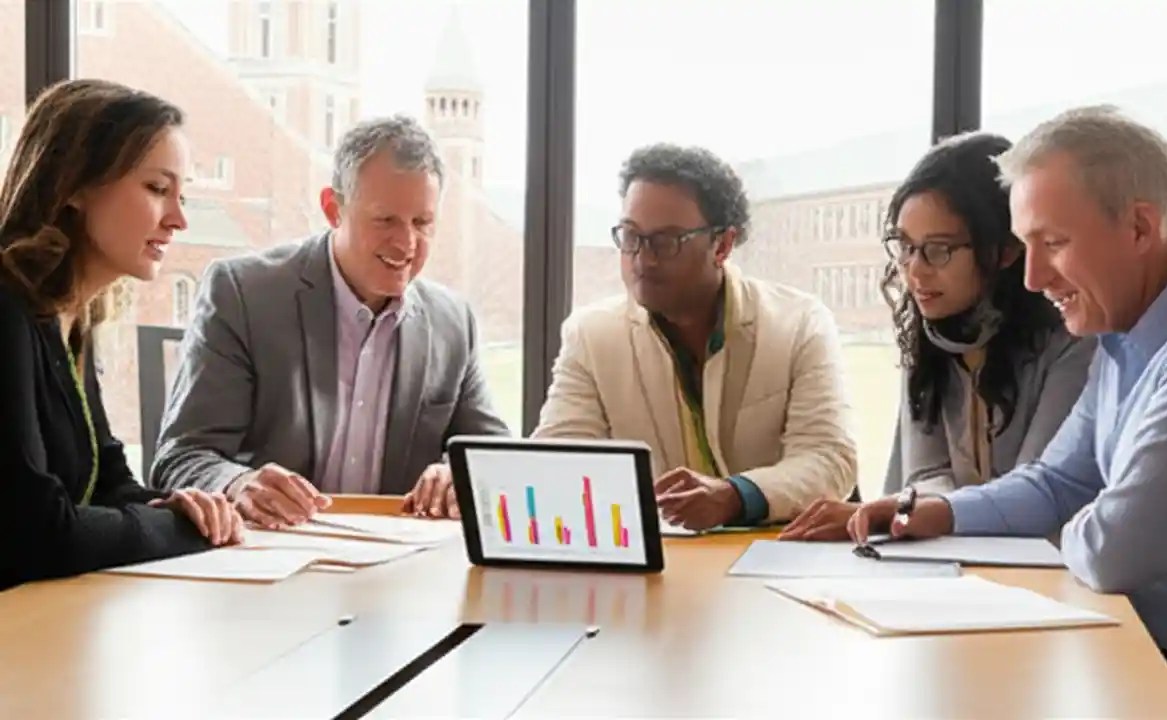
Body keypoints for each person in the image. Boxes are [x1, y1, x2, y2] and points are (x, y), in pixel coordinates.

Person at [848, 106, 1167, 718]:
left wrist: (1079, 521)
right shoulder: (1126, 332)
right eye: (1026, 245)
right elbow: (1058, 482)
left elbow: (1119, 551)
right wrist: (940, 511)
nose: (1030, 277)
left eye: (1053, 243)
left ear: (1138, 228)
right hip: (1137, 653)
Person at [153, 115, 509, 528]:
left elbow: (494, 456)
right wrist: (237, 483)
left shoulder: (452, 323)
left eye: (422, 223)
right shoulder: (244, 294)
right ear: (332, 208)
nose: (406, 243)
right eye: (385, 220)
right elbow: (181, 457)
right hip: (269, 560)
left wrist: (457, 474)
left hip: (396, 568)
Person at [780, 132, 1092, 541]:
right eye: (906, 246)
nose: (915, 270)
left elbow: (1038, 494)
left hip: (1045, 566)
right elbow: (924, 474)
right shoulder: (928, 335)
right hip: (954, 560)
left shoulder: (1072, 342)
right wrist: (903, 511)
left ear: (1006, 250)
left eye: (938, 250)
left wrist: (924, 511)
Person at [531, 143, 858, 531]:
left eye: (666, 242)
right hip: (657, 567)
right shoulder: (591, 335)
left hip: (770, 558)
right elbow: (557, 461)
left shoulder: (799, 322)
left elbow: (829, 458)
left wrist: (735, 496)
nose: (642, 259)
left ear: (722, 245)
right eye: (631, 236)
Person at [0, 79, 242, 590]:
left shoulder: (70, 320)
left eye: (182, 194)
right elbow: (39, 532)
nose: (178, 219)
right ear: (75, 187)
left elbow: (109, 480)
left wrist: (188, 508)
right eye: (157, 189)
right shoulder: (7, 312)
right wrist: (173, 526)